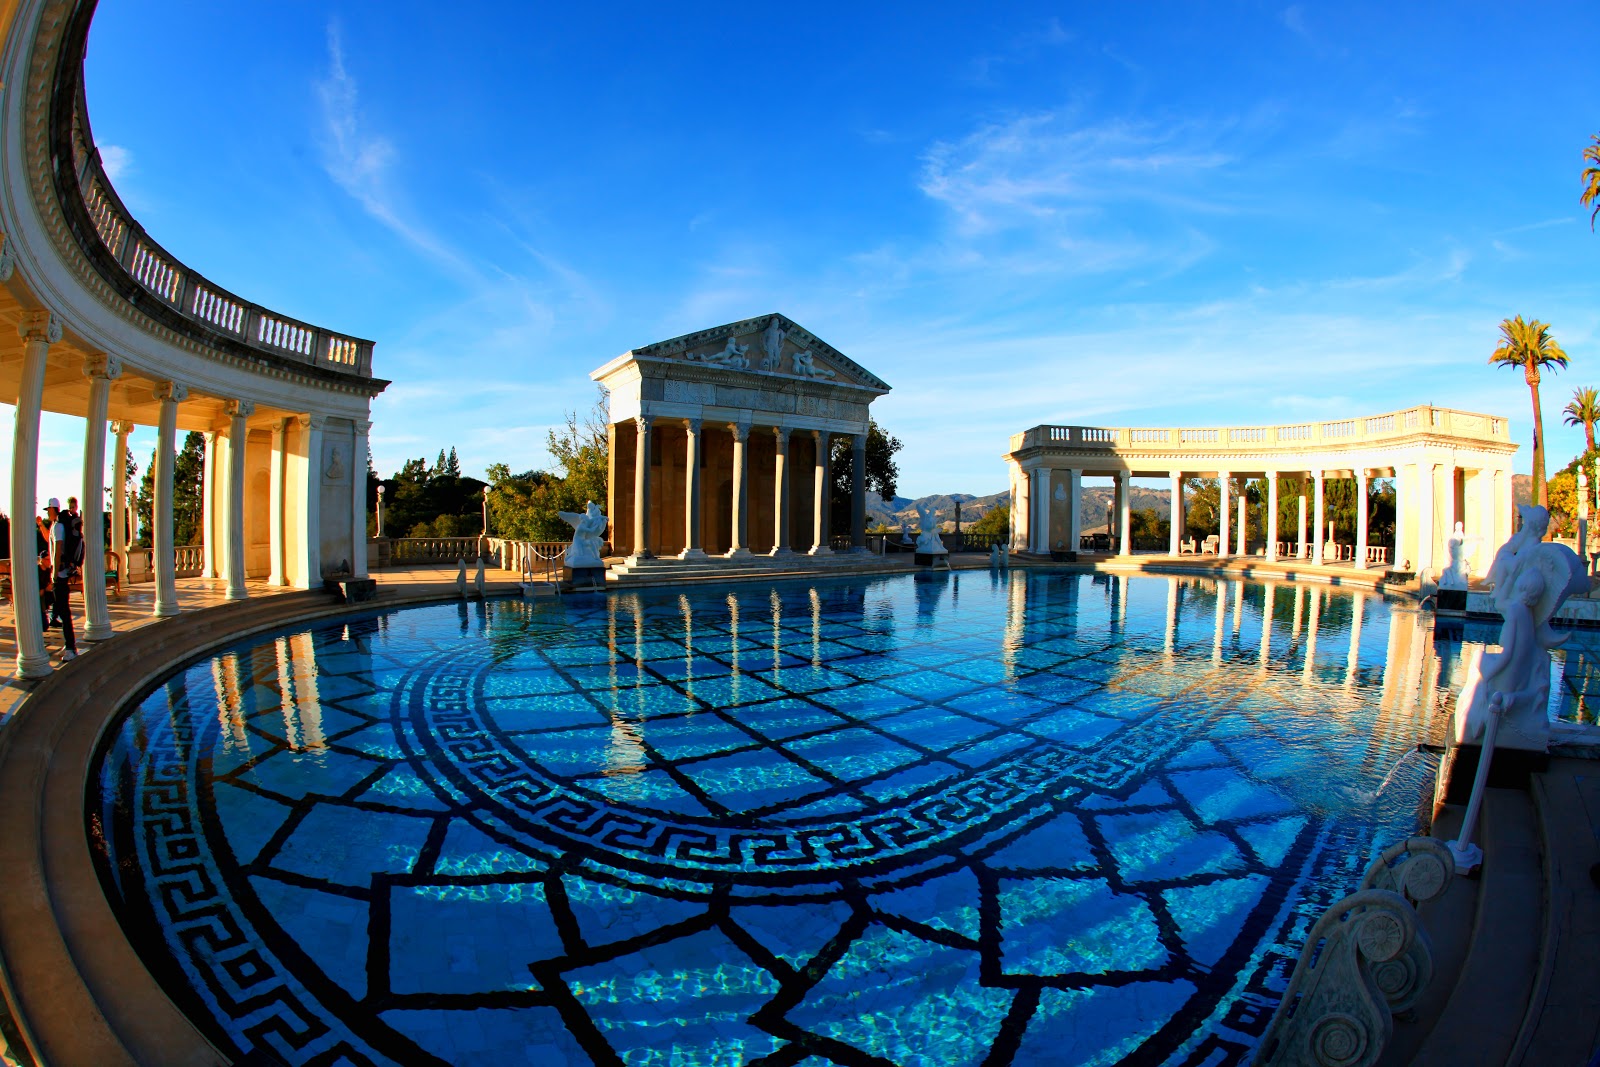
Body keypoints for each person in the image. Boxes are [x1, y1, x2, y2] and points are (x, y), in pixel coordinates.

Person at [45, 498, 77, 662]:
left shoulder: (58, 527)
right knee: (60, 609)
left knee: (63, 611)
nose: (47, 512)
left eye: (48, 510)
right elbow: (50, 543)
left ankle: (71, 648)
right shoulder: (55, 526)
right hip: (61, 574)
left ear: (53, 509)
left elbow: (57, 550)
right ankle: (69, 644)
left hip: (60, 575)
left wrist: (54, 573)